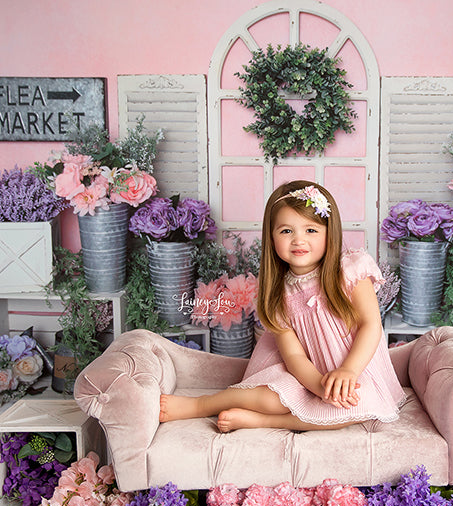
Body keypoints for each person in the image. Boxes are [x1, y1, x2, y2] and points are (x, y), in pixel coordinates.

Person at [160, 180, 406, 432]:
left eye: (311, 230)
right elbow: (294, 357)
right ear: (271, 236)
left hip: (355, 369)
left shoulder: (350, 269)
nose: (299, 240)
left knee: (357, 405)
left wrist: (348, 371)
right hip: (306, 376)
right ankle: (202, 404)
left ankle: (263, 421)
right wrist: (320, 388)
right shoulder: (280, 295)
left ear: (329, 233)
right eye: (287, 231)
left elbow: (371, 325)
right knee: (272, 399)